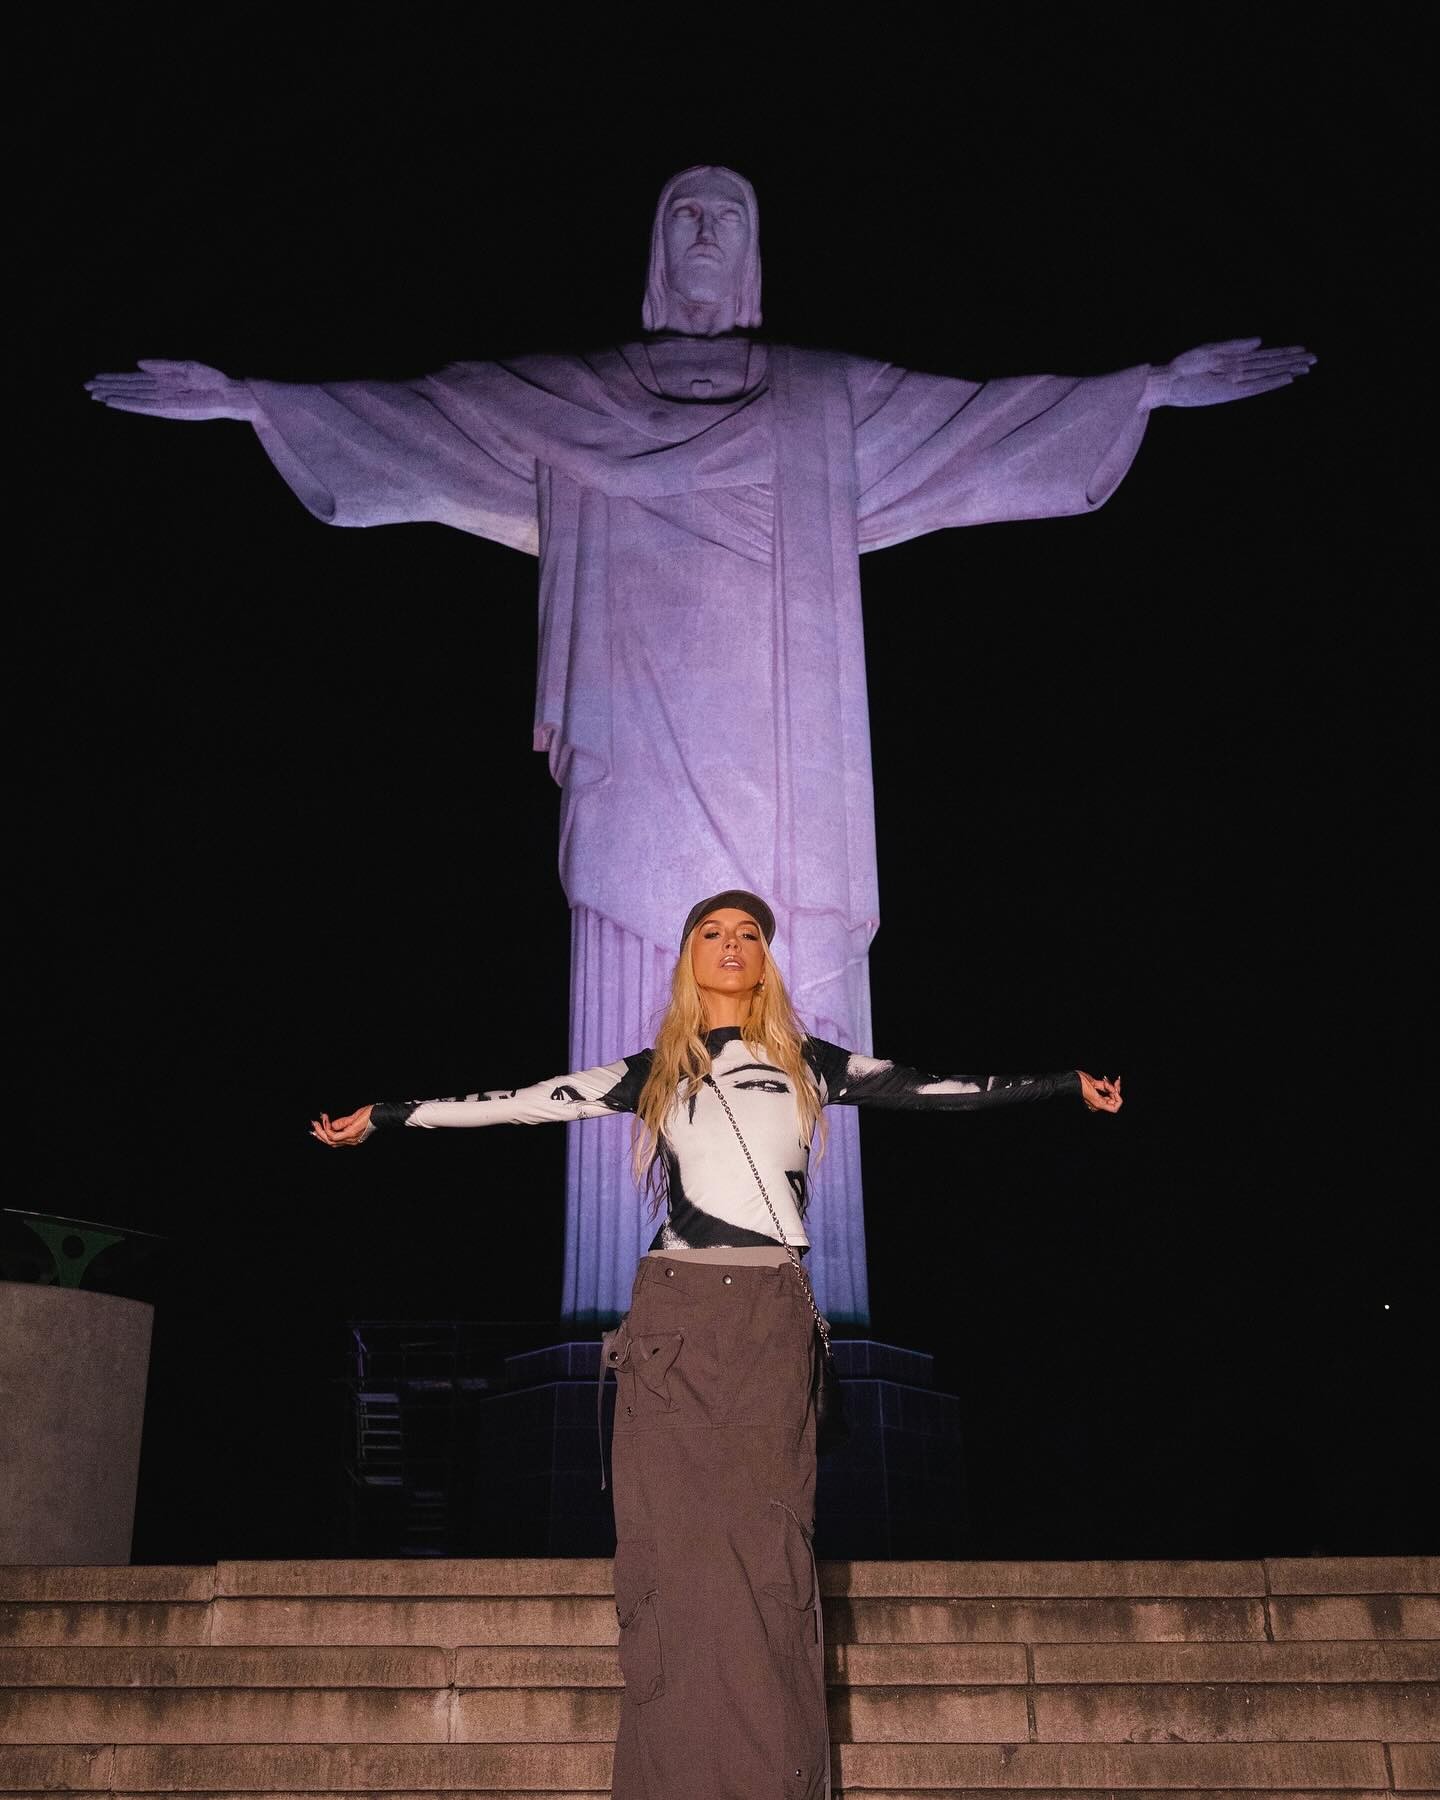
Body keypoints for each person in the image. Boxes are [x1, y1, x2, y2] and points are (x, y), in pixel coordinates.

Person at [312, 887, 1121, 1800]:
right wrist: (390, 1114)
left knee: (770, 1557)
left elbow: (935, 1089)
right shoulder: (653, 1070)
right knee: (672, 1561)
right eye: (713, 933)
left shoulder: (809, 1062)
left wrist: (1059, 1086)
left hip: (773, 1320)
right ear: (690, 956)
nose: (731, 945)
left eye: (747, 935)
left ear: (765, 960)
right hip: (677, 1323)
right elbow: (523, 1104)